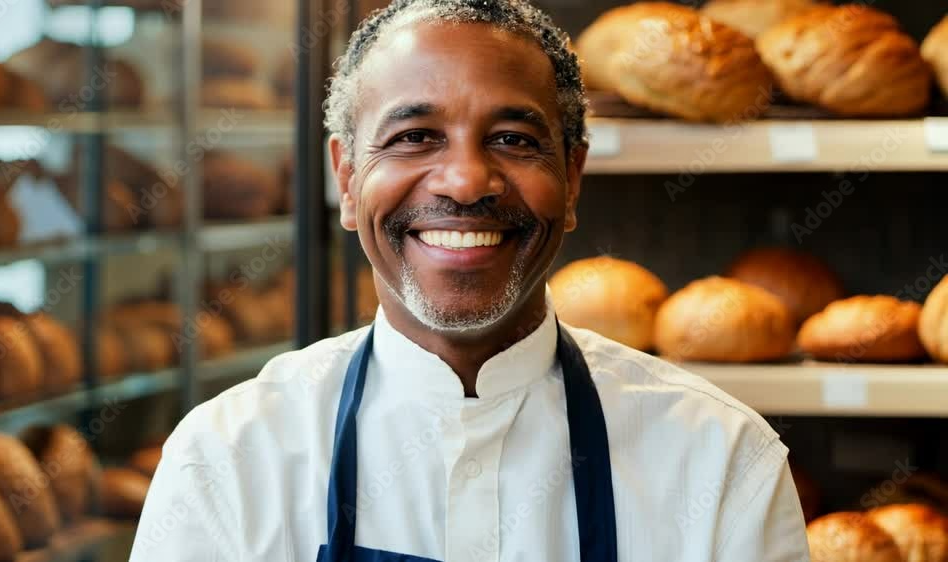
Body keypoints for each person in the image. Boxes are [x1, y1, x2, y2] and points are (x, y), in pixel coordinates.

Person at [130, 0, 811, 560]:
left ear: (571, 178)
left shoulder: (720, 461)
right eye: (414, 136)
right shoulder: (226, 460)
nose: (464, 181)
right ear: (345, 178)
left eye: (514, 139)